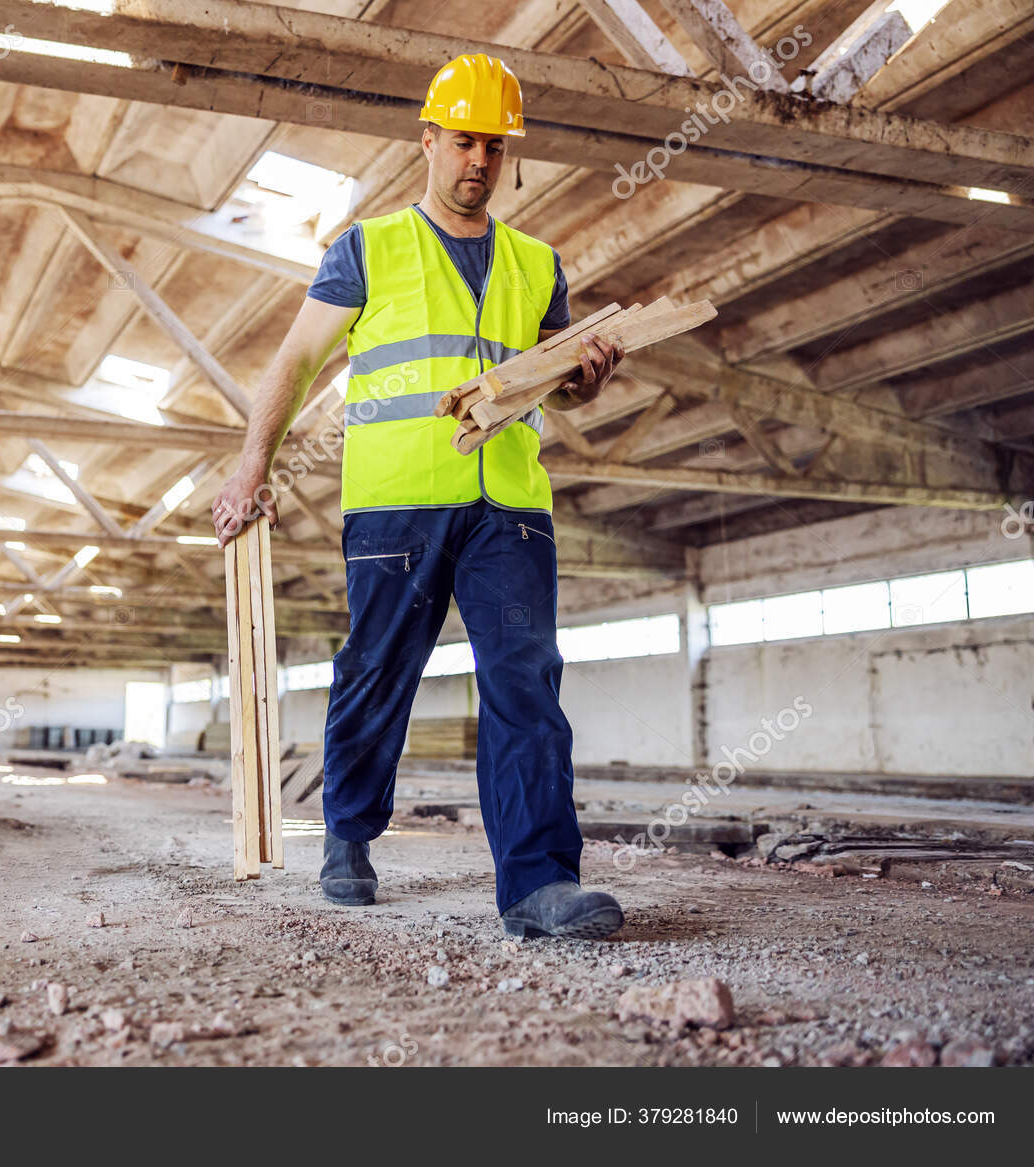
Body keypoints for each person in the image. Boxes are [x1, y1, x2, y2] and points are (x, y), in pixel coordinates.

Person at [211, 54, 627, 939]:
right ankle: (348, 833)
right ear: (429, 140)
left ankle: (538, 884)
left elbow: (556, 387)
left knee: (525, 683)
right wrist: (254, 467)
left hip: (509, 508)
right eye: (465, 139)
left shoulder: (539, 265)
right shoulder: (368, 248)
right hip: (395, 505)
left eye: (496, 144)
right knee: (376, 675)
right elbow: (294, 361)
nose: (480, 158)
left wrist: (585, 374)